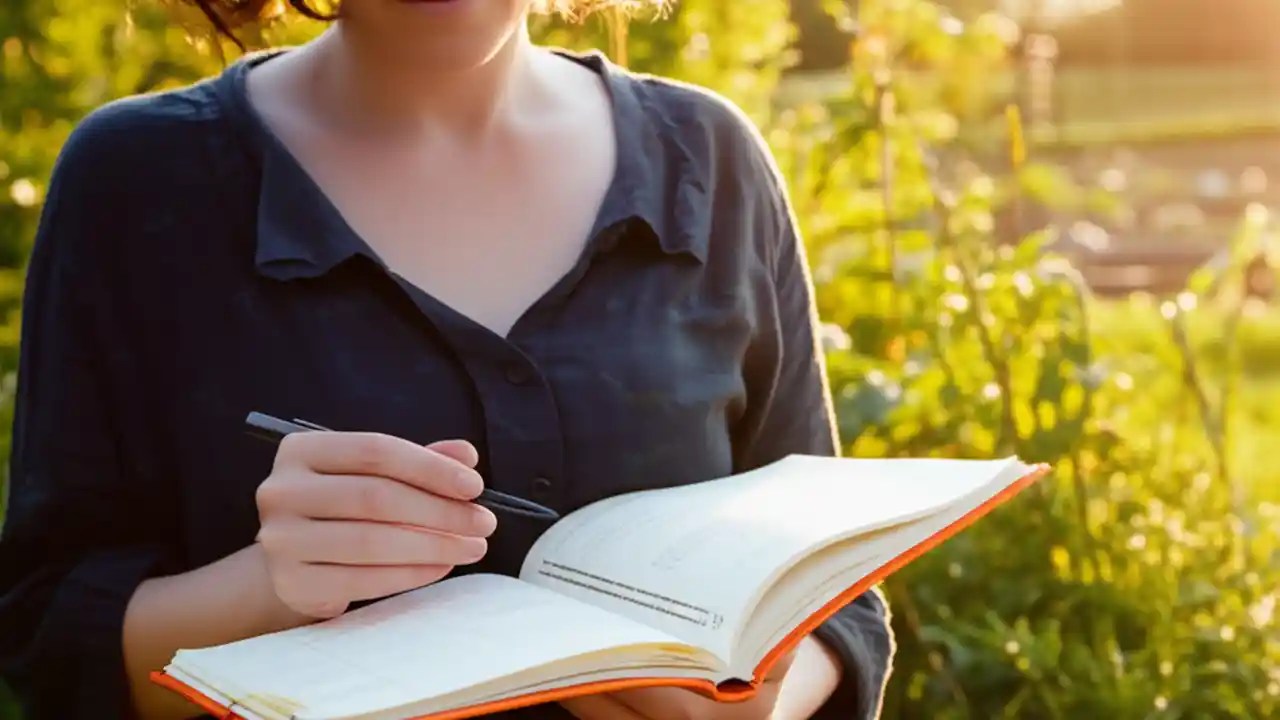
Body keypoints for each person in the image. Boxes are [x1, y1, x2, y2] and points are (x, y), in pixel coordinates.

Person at [0, 1, 895, 718]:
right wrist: (265, 589)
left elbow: (834, 595)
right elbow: (50, 641)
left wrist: (752, 707)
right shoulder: (137, 181)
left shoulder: (708, 156)